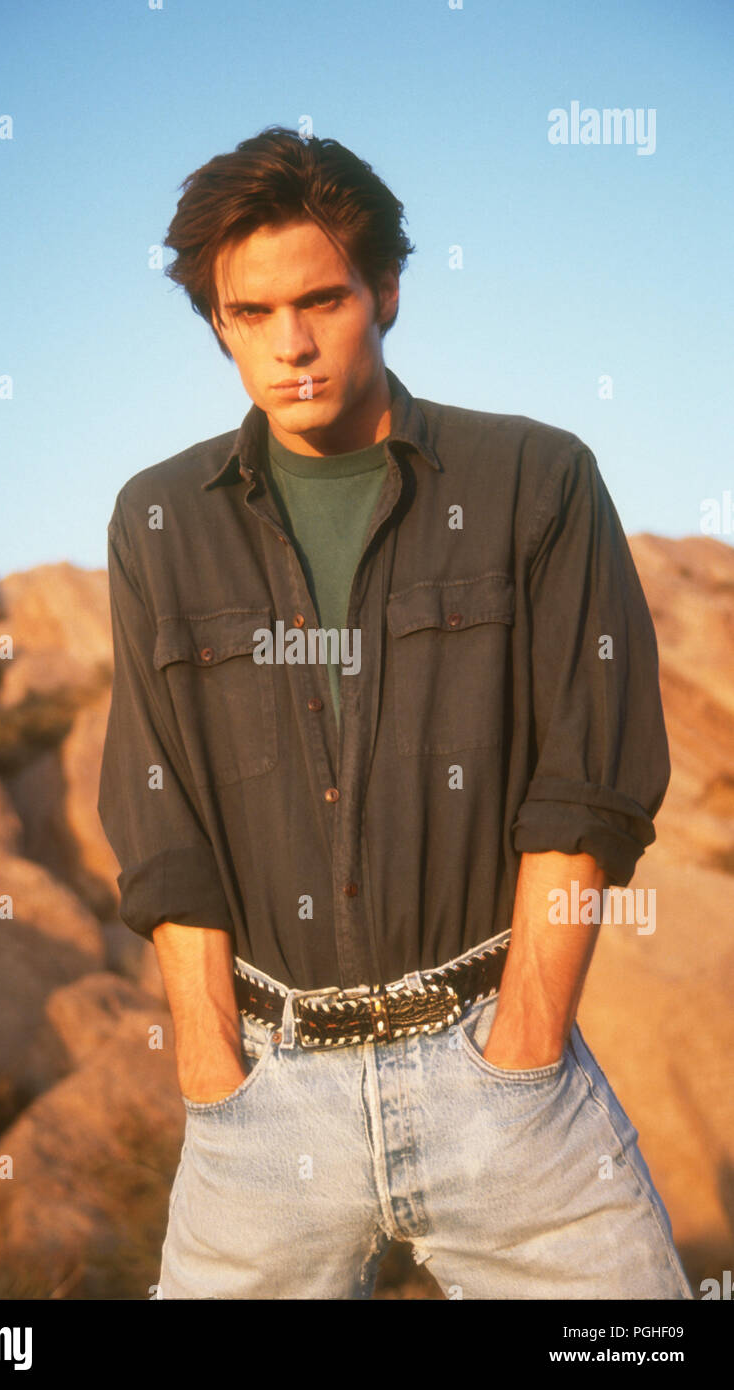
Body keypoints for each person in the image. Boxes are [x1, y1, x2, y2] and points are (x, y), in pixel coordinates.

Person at [96, 126, 692, 1300]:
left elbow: (593, 771)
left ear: (387, 291)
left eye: (322, 299)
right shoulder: (157, 519)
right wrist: (214, 1072)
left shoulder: (534, 478)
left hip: (503, 1079)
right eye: (251, 314)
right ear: (216, 322)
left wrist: (522, 1040)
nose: (292, 344)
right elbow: (160, 817)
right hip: (265, 1100)